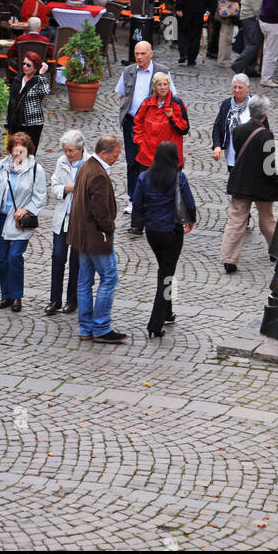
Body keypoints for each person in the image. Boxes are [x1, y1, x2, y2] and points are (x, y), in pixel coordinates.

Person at [131, 140, 196, 337]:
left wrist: (140, 224)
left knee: (165, 270)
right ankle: (155, 323)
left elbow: (137, 204)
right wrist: (191, 220)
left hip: (152, 232)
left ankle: (168, 312)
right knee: (166, 276)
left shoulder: (144, 177)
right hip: (172, 231)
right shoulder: (179, 177)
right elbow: (189, 202)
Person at [68, 134, 125, 344]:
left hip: (81, 236)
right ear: (104, 153)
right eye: (115, 155)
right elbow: (101, 211)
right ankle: (101, 327)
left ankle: (86, 327)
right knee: (109, 277)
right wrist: (110, 228)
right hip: (95, 237)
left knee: (84, 281)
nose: (117, 159)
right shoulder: (99, 174)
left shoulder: (85, 166)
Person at [220, 95, 278, 272]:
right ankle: (276, 250)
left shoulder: (238, 131)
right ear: (265, 114)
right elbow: (268, 165)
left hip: (241, 182)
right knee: (267, 219)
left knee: (236, 220)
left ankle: (229, 259)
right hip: (261, 185)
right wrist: (275, 184)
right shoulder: (266, 135)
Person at [0, 131, 47, 311]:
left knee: (14, 257)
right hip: (2, 217)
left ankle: (17, 296)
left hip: (19, 221)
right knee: (3, 258)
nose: (17, 155)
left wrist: (26, 209)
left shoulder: (36, 170)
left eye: (21, 151)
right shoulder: (4, 165)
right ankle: (5, 295)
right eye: (14, 151)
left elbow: (40, 197)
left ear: (28, 151)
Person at [45, 129, 89, 316]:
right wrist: (67, 188)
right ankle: (55, 299)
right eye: (65, 150)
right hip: (62, 217)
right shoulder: (61, 162)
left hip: (80, 221)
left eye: (71, 151)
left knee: (76, 261)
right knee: (58, 256)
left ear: (81, 149)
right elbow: (54, 187)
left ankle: (73, 300)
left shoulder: (90, 163)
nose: (68, 154)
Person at [115, 39, 156, 215]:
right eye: (136, 54)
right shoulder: (128, 71)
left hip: (152, 124)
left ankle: (150, 197)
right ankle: (133, 198)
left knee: (150, 162)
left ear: (151, 54)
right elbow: (121, 94)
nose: (139, 57)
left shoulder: (161, 72)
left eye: (142, 54)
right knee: (132, 161)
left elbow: (171, 95)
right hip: (132, 122)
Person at [132, 71, 189, 171]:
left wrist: (172, 117)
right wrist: (140, 142)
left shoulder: (176, 103)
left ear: (169, 86)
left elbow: (184, 129)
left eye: (165, 84)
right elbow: (137, 123)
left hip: (169, 157)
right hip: (147, 156)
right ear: (154, 87)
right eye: (159, 85)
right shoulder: (147, 103)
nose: (162, 87)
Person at [5, 51, 50, 152]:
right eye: (23, 64)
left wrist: (41, 74)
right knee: (14, 151)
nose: (25, 66)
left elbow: (45, 91)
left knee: (29, 153)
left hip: (32, 123)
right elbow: (12, 100)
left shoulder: (38, 80)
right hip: (16, 121)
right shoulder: (18, 78)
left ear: (35, 68)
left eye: (28, 65)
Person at [211, 74, 252, 183]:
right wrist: (217, 146)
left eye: (240, 87)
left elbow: (264, 130)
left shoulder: (254, 105)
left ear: (248, 88)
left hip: (250, 155)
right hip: (232, 155)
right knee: (236, 187)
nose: (237, 90)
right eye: (234, 87)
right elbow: (217, 126)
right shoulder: (227, 104)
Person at [174, 0, 211, 66]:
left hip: (185, 12)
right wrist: (205, 9)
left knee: (183, 32)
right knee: (195, 35)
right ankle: (191, 58)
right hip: (198, 12)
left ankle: (183, 53)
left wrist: (178, 8)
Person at [232, 0, 266, 77]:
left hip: (247, 15)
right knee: (254, 43)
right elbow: (256, 2)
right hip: (251, 16)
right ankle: (238, 65)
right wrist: (258, 16)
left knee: (250, 43)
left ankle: (250, 69)